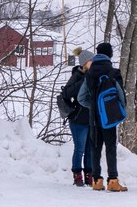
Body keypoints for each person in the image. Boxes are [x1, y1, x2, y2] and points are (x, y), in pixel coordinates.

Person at [78, 42, 128, 192]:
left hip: (94, 117)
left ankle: (97, 181)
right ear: (110, 55)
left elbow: (81, 98)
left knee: (95, 148)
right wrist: (120, 110)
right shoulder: (113, 72)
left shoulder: (89, 74)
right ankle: (113, 180)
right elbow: (121, 95)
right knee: (110, 147)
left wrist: (93, 106)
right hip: (110, 116)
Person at [63, 47, 95, 187]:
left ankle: (89, 174)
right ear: (84, 63)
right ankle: (77, 174)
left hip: (91, 118)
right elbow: (66, 93)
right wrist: (82, 82)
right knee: (80, 148)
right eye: (91, 61)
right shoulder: (77, 75)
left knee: (90, 148)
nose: (93, 62)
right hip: (78, 119)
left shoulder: (94, 75)